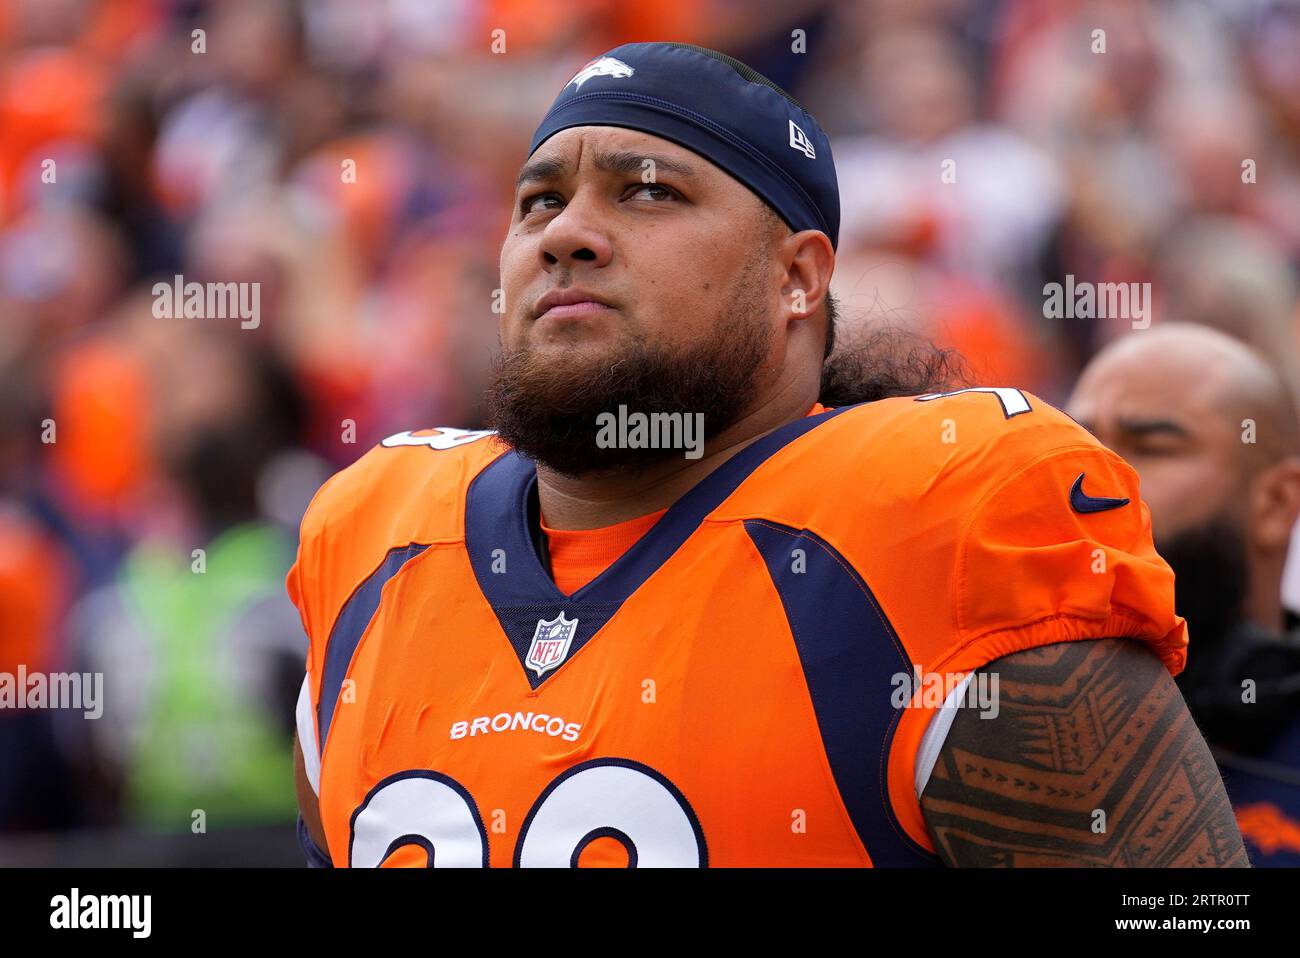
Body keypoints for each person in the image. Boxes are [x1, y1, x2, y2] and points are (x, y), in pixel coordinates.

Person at [288, 42, 1245, 867]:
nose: (566, 234)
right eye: (538, 201)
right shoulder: (375, 534)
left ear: (797, 278)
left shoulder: (936, 522)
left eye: (648, 192)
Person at [1068, 322, 1300, 866]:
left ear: (1274, 504)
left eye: (1149, 446)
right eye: (1077, 443)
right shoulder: (987, 727)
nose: (1089, 479)